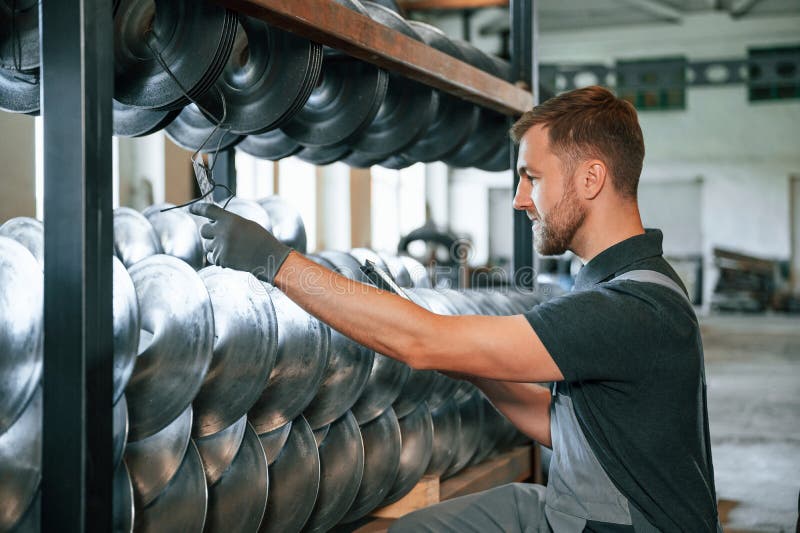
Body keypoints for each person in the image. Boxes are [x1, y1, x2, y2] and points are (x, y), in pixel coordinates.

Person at [191, 85, 721, 532]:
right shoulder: (624, 283)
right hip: (575, 508)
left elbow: (421, 343)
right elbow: (571, 431)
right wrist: (456, 352)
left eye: (531, 177)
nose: (519, 198)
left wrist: (276, 262)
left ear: (591, 179)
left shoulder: (628, 307)